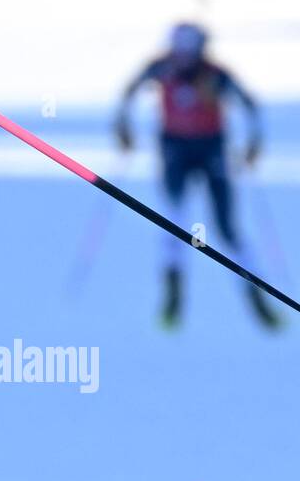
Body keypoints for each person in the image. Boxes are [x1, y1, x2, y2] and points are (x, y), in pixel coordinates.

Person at [114, 22, 277, 329]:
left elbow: (249, 104)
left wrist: (255, 142)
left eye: (191, 50)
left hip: (211, 150)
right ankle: (172, 296)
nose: (185, 57)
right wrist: (123, 126)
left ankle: (257, 296)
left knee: (227, 228)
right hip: (174, 150)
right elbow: (129, 91)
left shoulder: (215, 75)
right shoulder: (161, 68)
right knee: (173, 220)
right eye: (180, 49)